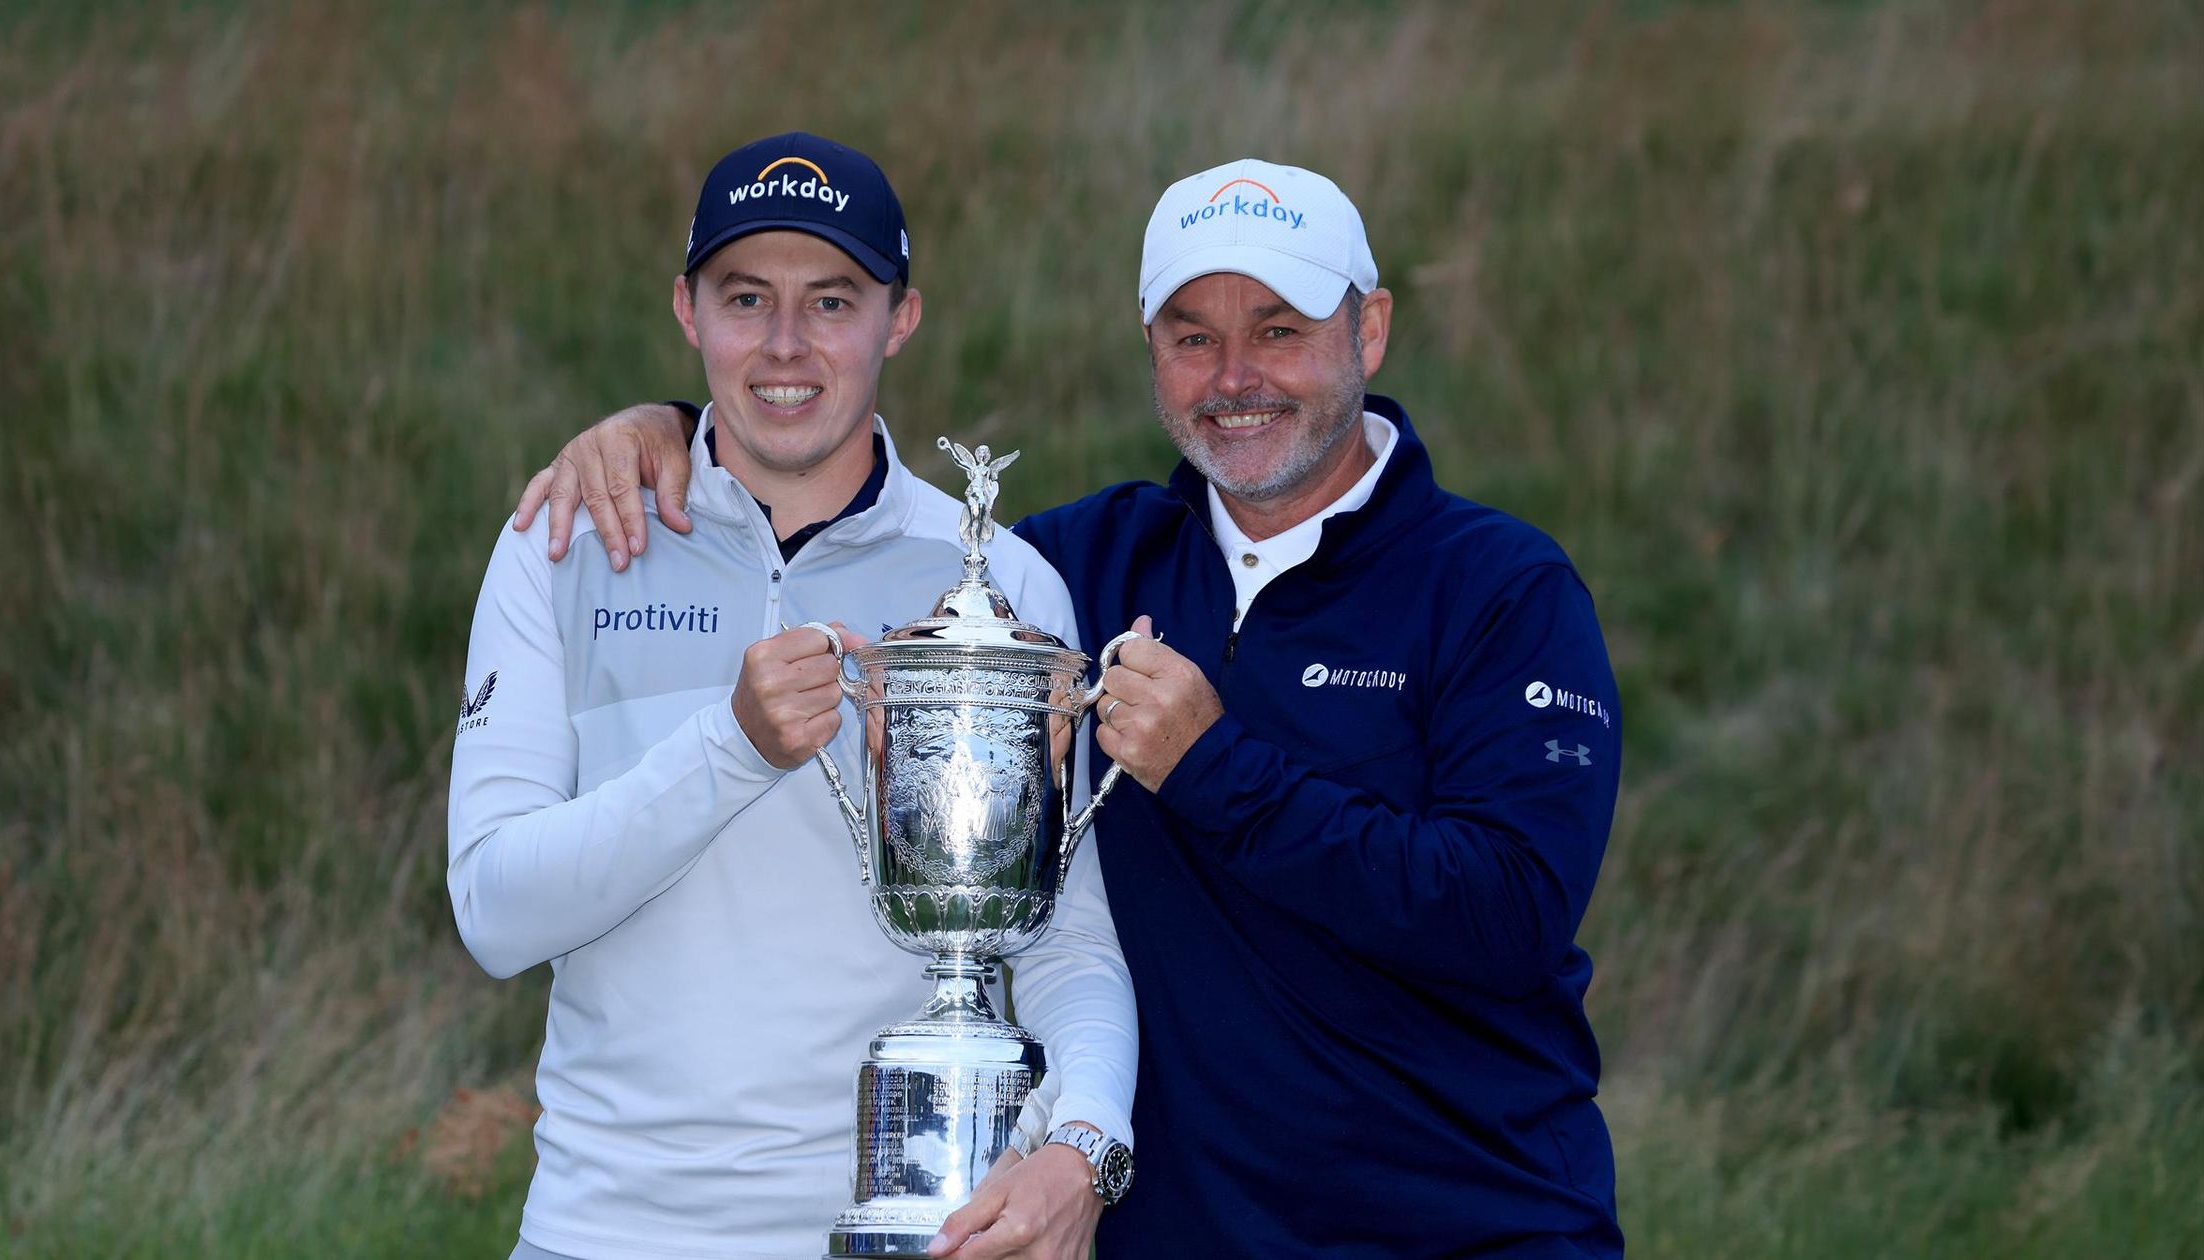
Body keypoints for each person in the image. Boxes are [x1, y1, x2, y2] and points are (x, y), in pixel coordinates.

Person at [517, 157, 1627, 1258]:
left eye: (1280, 330)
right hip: (1179, 1237)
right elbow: (861, 498)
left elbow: (1511, 915)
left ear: (1370, 330)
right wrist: (673, 435)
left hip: (1471, 1225)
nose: (1235, 376)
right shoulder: (1074, 570)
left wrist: (1214, 769)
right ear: (1152, 351)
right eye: (1192, 336)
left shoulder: (1501, 590)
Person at [449, 132, 1138, 1260]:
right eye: (745, 298)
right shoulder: (565, 546)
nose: (784, 345)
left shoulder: (1001, 585)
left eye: (830, 302)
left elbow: (1067, 946)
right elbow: (493, 913)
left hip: (918, 1232)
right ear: (687, 310)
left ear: (897, 319)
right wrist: (730, 747)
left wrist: (1084, 1140)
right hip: (606, 1232)